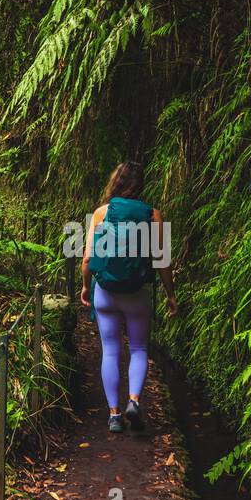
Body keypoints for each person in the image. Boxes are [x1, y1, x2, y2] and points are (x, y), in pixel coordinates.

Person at [80, 161, 178, 434]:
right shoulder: (152, 214)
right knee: (138, 349)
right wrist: (171, 295)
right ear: (139, 185)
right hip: (137, 293)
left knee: (110, 350)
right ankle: (133, 401)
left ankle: (113, 416)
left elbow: (87, 258)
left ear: (116, 182)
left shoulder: (102, 213)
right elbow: (161, 259)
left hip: (106, 293)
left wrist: (86, 287)